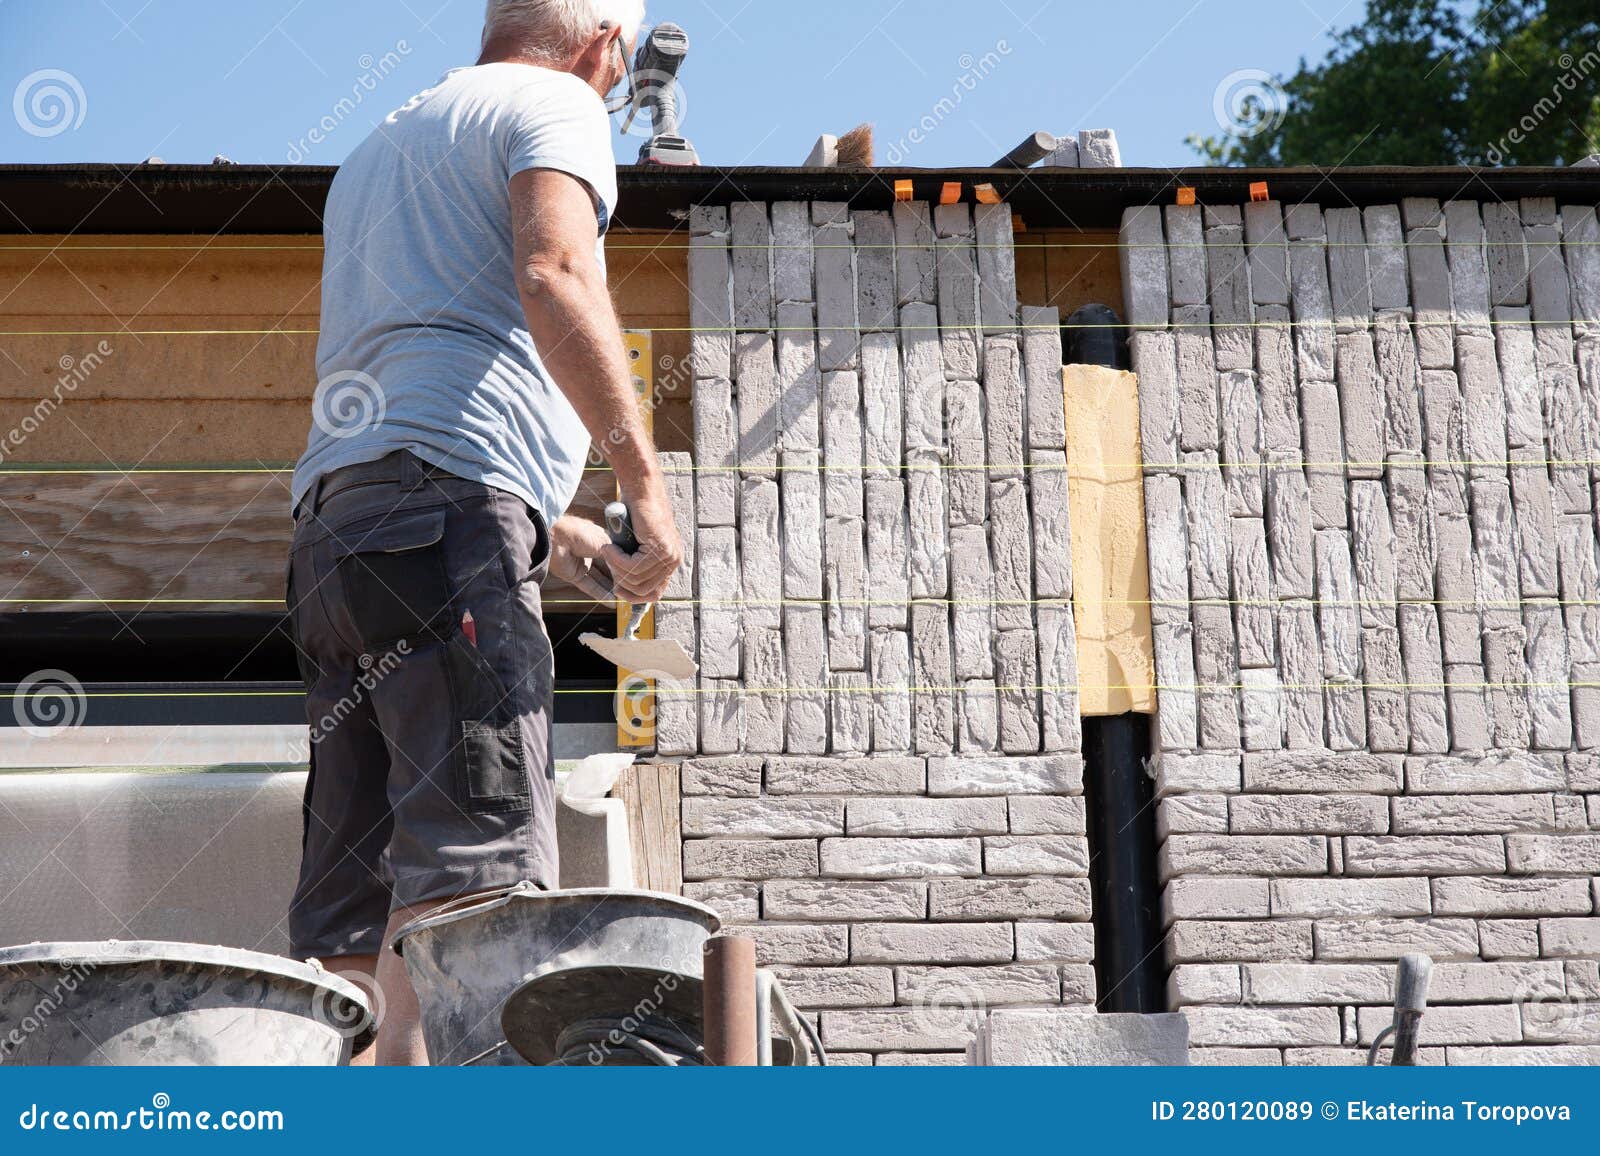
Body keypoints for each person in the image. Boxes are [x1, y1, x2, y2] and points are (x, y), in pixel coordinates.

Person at [283, 0, 680, 1064]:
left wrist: (552, 530)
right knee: (476, 874)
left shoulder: (379, 146)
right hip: (442, 523)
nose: (614, 84)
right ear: (604, 45)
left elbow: (420, 411)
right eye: (621, 68)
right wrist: (642, 481)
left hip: (334, 532)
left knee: (354, 906)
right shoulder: (555, 100)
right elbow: (552, 271)